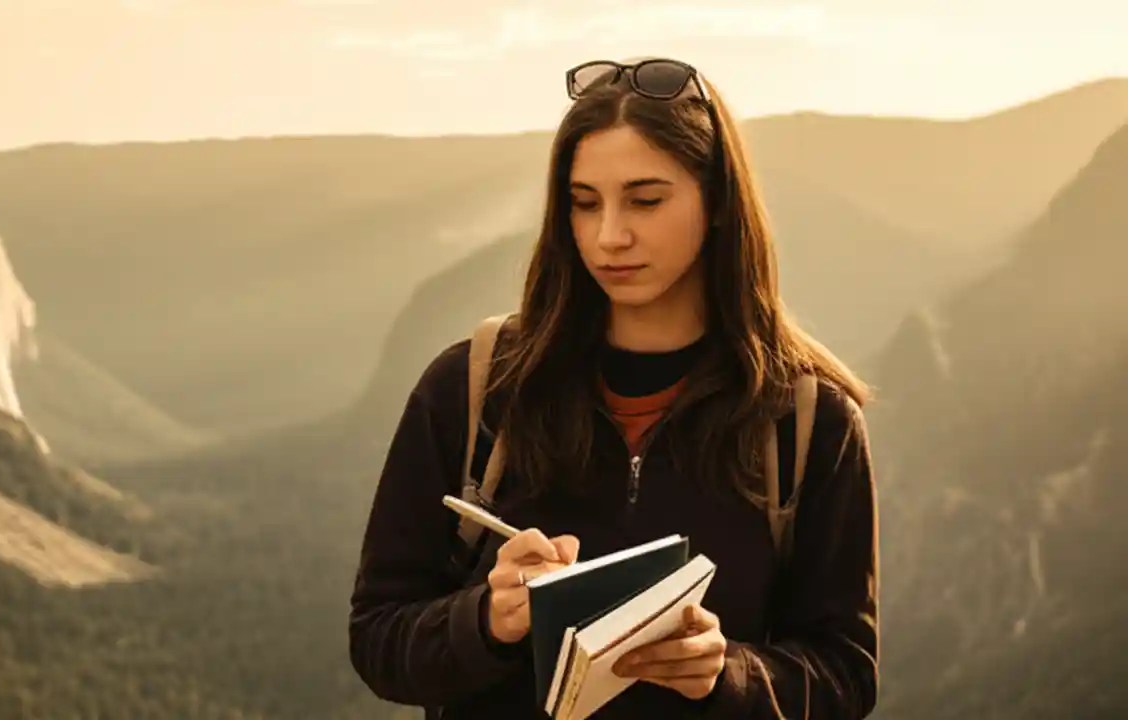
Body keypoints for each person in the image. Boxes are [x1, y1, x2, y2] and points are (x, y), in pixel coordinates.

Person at [348, 56, 879, 719]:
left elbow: (846, 676)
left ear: (716, 202)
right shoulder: (475, 388)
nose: (609, 236)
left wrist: (725, 673)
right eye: (584, 203)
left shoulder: (806, 421)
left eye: (646, 200)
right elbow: (377, 638)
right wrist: (488, 619)